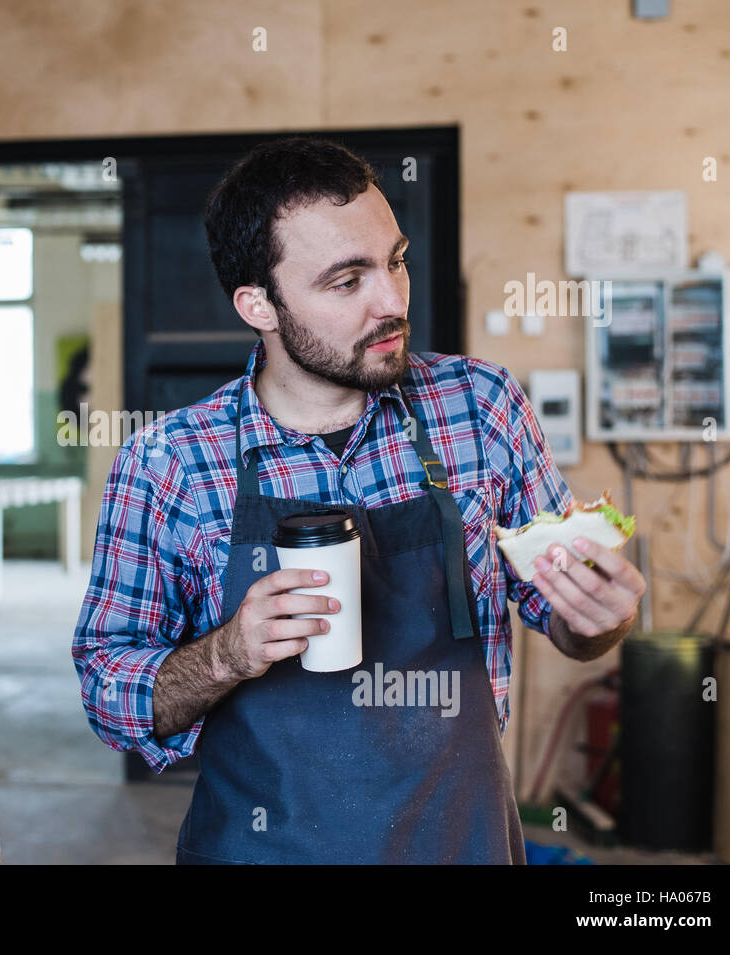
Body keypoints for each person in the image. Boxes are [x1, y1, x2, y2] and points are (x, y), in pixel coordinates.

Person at [71, 136, 645, 864]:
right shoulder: (169, 463)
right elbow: (106, 689)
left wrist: (598, 616)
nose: (392, 301)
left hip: (459, 842)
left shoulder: (480, 405)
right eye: (347, 282)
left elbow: (562, 614)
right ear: (259, 304)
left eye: (395, 261)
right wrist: (226, 654)